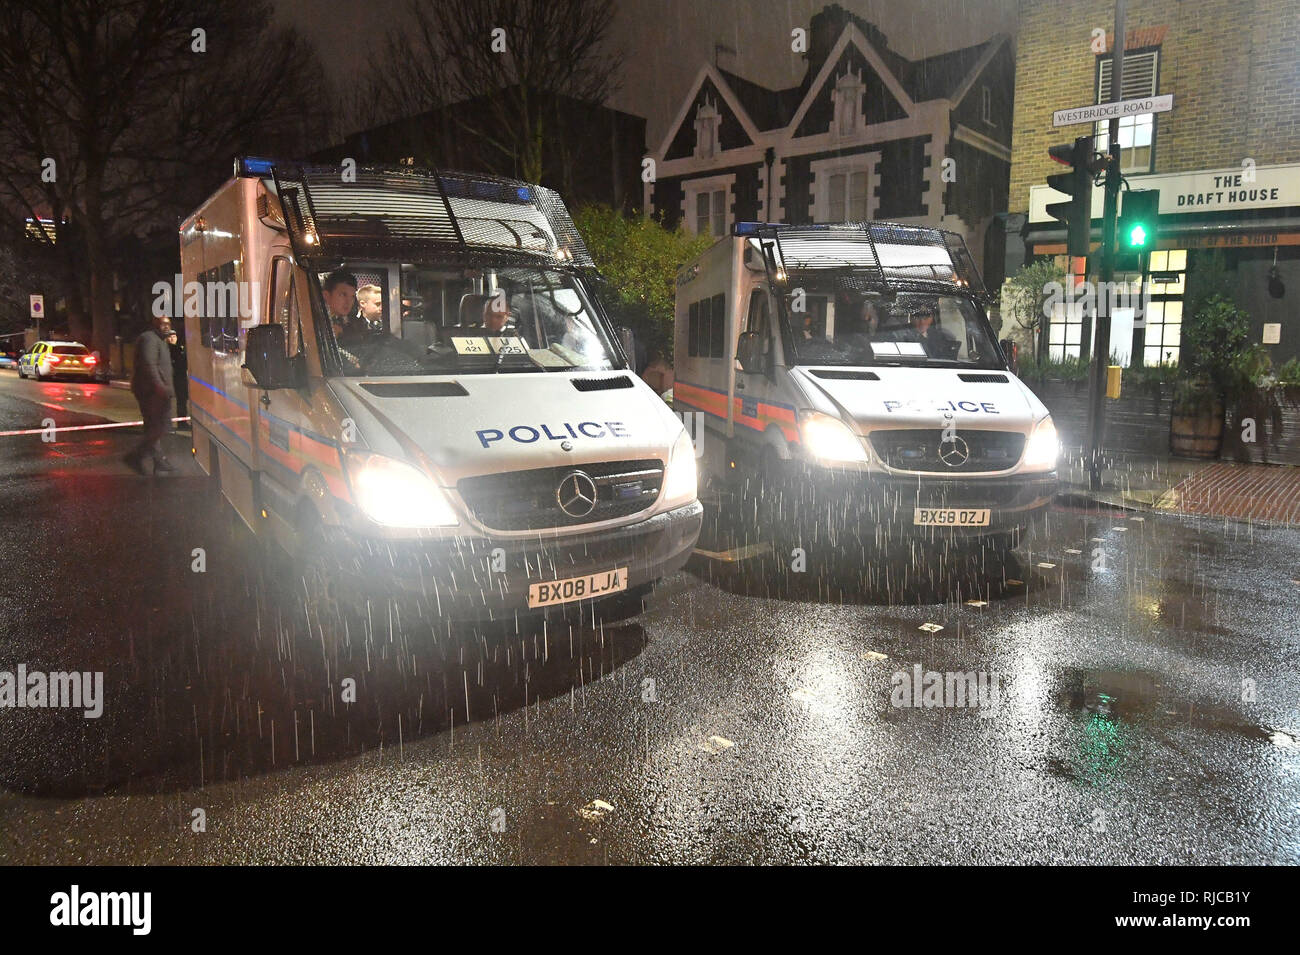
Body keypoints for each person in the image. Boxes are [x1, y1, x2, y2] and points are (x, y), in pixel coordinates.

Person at [124, 315, 176, 474]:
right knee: (158, 426)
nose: (166, 327)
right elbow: (150, 365)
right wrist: (160, 387)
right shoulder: (149, 339)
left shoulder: (161, 340)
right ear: (155, 324)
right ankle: (136, 456)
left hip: (156, 391)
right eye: (163, 324)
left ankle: (157, 460)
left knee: (156, 427)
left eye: (168, 324)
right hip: (151, 392)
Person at [166, 326, 188, 427]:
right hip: (171, 378)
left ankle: (182, 421)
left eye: (174, 336)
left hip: (181, 377)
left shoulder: (180, 348)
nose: (172, 338)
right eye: (170, 336)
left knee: (182, 400)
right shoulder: (166, 349)